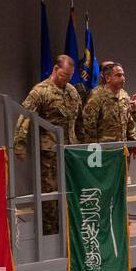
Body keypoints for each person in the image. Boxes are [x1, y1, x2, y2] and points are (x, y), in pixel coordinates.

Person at [14, 55, 81, 235]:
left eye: (69, 76)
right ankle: (50, 238)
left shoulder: (72, 92)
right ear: (55, 69)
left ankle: (69, 235)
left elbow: (79, 122)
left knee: (70, 196)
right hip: (49, 155)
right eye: (63, 75)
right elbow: (24, 118)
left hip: (71, 152)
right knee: (50, 200)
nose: (66, 79)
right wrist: (19, 144)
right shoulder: (40, 91)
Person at [79, 62, 136, 159]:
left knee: (123, 175)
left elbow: (129, 123)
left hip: (122, 151)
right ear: (108, 78)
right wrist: (94, 152)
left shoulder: (124, 96)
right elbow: (88, 126)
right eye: (118, 75)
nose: (123, 78)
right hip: (104, 153)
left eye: (123, 75)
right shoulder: (97, 96)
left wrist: (133, 143)